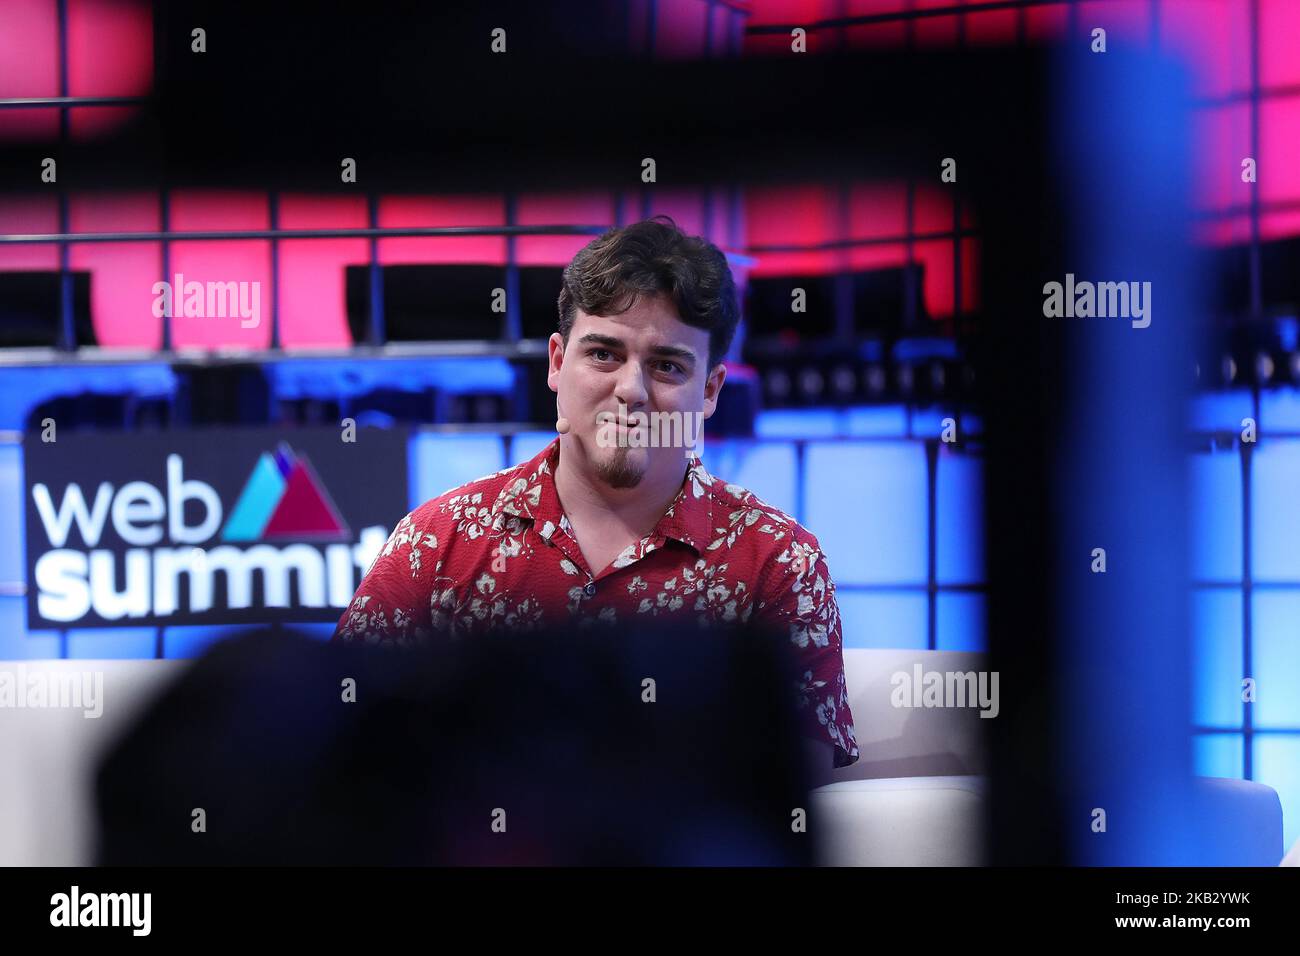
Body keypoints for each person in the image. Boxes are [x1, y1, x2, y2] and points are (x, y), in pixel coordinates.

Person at [333, 216, 859, 779]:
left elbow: (802, 783)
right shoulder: (439, 539)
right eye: (604, 354)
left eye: (666, 365)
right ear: (557, 363)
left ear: (709, 391)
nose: (631, 390)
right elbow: (336, 731)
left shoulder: (777, 560)